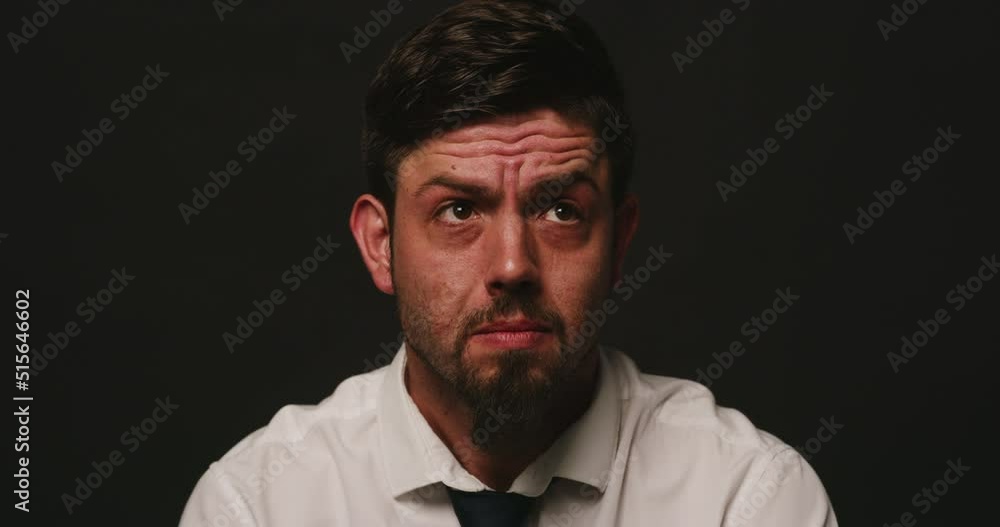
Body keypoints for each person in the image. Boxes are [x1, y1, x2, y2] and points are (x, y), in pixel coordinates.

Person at [180, 1, 838, 525]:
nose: (513, 264)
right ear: (380, 243)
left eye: (559, 210)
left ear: (620, 240)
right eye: (459, 211)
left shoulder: (745, 499)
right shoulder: (259, 506)